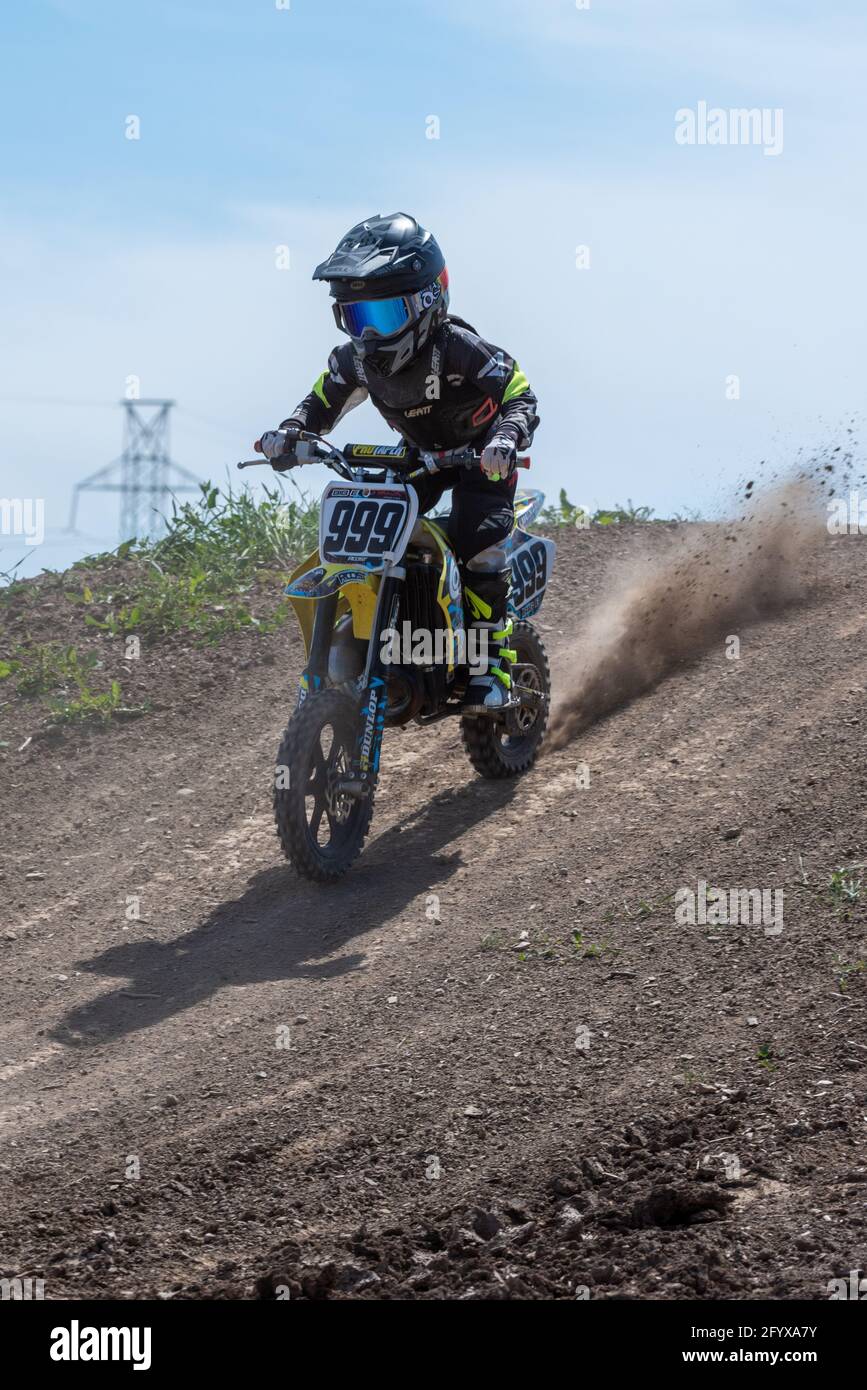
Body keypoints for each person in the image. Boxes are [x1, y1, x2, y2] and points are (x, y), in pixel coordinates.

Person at [255, 212, 539, 713]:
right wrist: (293, 432)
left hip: (481, 458)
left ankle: (490, 663)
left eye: (381, 316)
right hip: (419, 458)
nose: (367, 333)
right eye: (354, 316)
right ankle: (383, 640)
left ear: (428, 301)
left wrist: (506, 439)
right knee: (371, 524)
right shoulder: (356, 360)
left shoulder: (458, 348)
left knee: (479, 539)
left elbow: (518, 392)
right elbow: (321, 401)